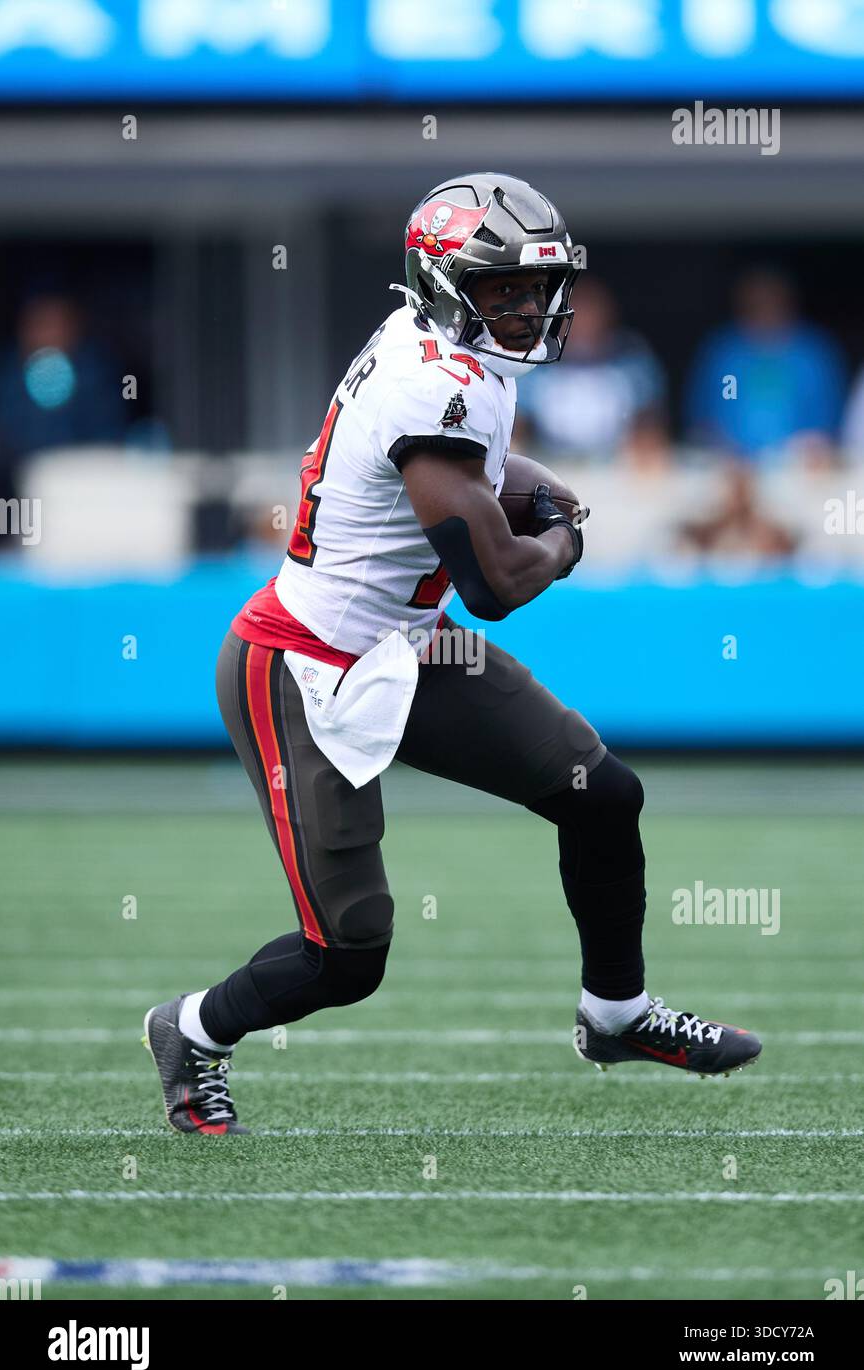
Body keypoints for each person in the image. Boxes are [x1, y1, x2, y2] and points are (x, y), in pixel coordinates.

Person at [142, 172, 760, 1135]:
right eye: (502, 288)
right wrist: (566, 537)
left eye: (534, 288)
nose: (525, 310)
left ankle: (618, 1016)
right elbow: (497, 584)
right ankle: (190, 1029)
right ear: (444, 284)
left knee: (603, 794)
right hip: (306, 669)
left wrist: (525, 479)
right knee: (348, 952)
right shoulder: (434, 381)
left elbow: (454, 463)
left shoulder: (434, 349)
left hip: (407, 643)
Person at [684, 268, 846, 465]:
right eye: (755, 303)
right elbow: (708, 416)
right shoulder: (725, 354)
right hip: (733, 469)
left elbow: (830, 423)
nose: (764, 309)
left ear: (788, 304)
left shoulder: (813, 354)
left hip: (800, 470)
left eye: (771, 301)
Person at [513, 276, 667, 467]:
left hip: (617, 469)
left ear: (608, 317)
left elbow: (650, 427)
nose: (583, 323)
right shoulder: (536, 364)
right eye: (574, 315)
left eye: (590, 313)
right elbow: (515, 430)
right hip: (551, 468)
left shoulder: (631, 363)